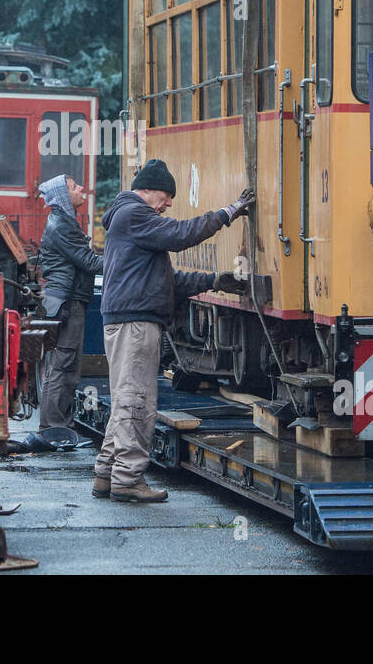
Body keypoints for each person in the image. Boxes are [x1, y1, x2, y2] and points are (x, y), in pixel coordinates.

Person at [93, 158, 252, 503]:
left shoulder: (130, 221)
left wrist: (214, 281)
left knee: (125, 400)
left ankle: (107, 473)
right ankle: (128, 479)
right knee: (137, 400)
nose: (168, 204)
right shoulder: (135, 214)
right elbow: (180, 235)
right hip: (135, 323)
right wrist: (226, 214)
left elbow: (169, 280)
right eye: (166, 196)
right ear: (147, 190)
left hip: (127, 319)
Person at [36, 173, 103, 435]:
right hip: (68, 301)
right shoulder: (62, 225)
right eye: (75, 187)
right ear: (65, 196)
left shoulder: (62, 221)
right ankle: (52, 426)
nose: (82, 189)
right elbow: (89, 262)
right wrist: (126, 261)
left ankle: (60, 425)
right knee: (63, 365)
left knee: (67, 365)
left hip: (66, 299)